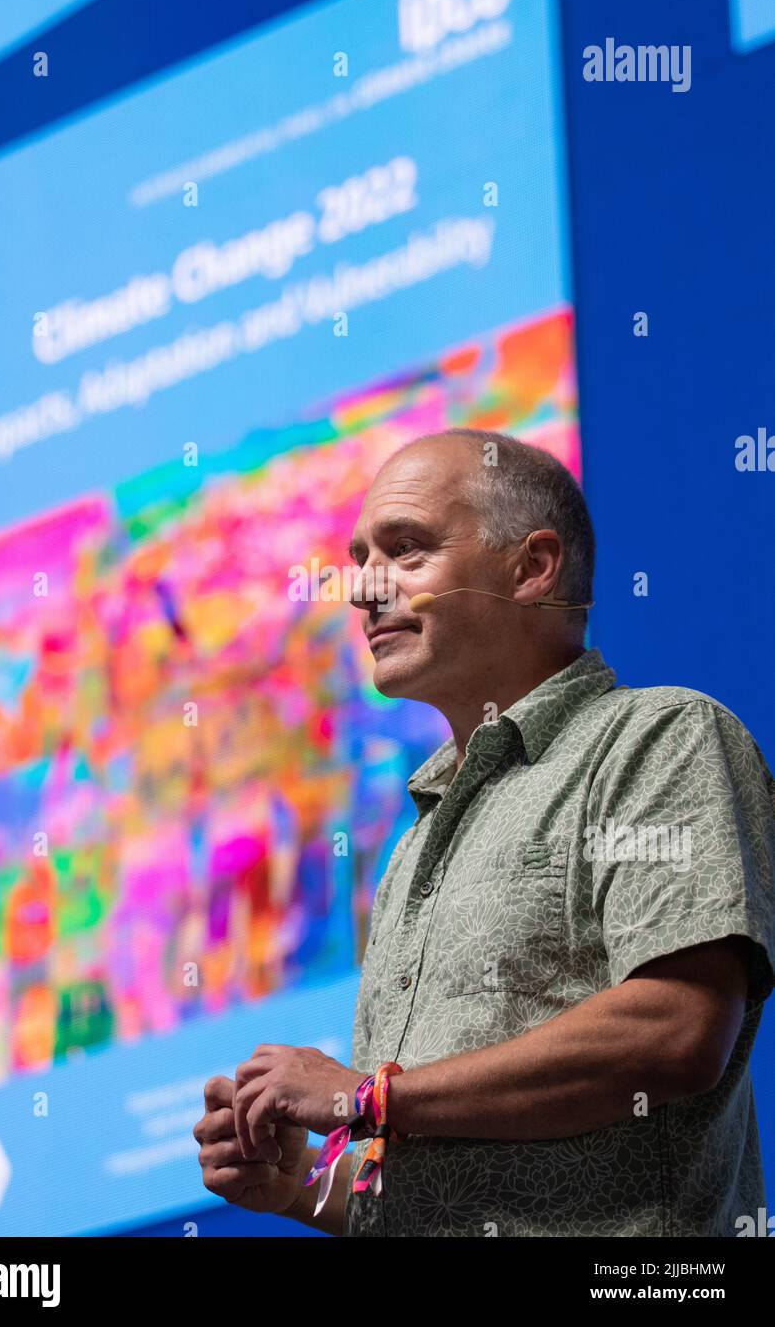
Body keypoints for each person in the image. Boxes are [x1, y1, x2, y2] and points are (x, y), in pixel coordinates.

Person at [193, 428, 775, 1237]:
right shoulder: (410, 852)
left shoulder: (658, 738)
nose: (363, 588)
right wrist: (301, 1186)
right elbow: (424, 1178)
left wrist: (365, 1097)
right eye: (360, 557)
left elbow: (673, 1031)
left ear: (532, 568)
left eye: (405, 550)